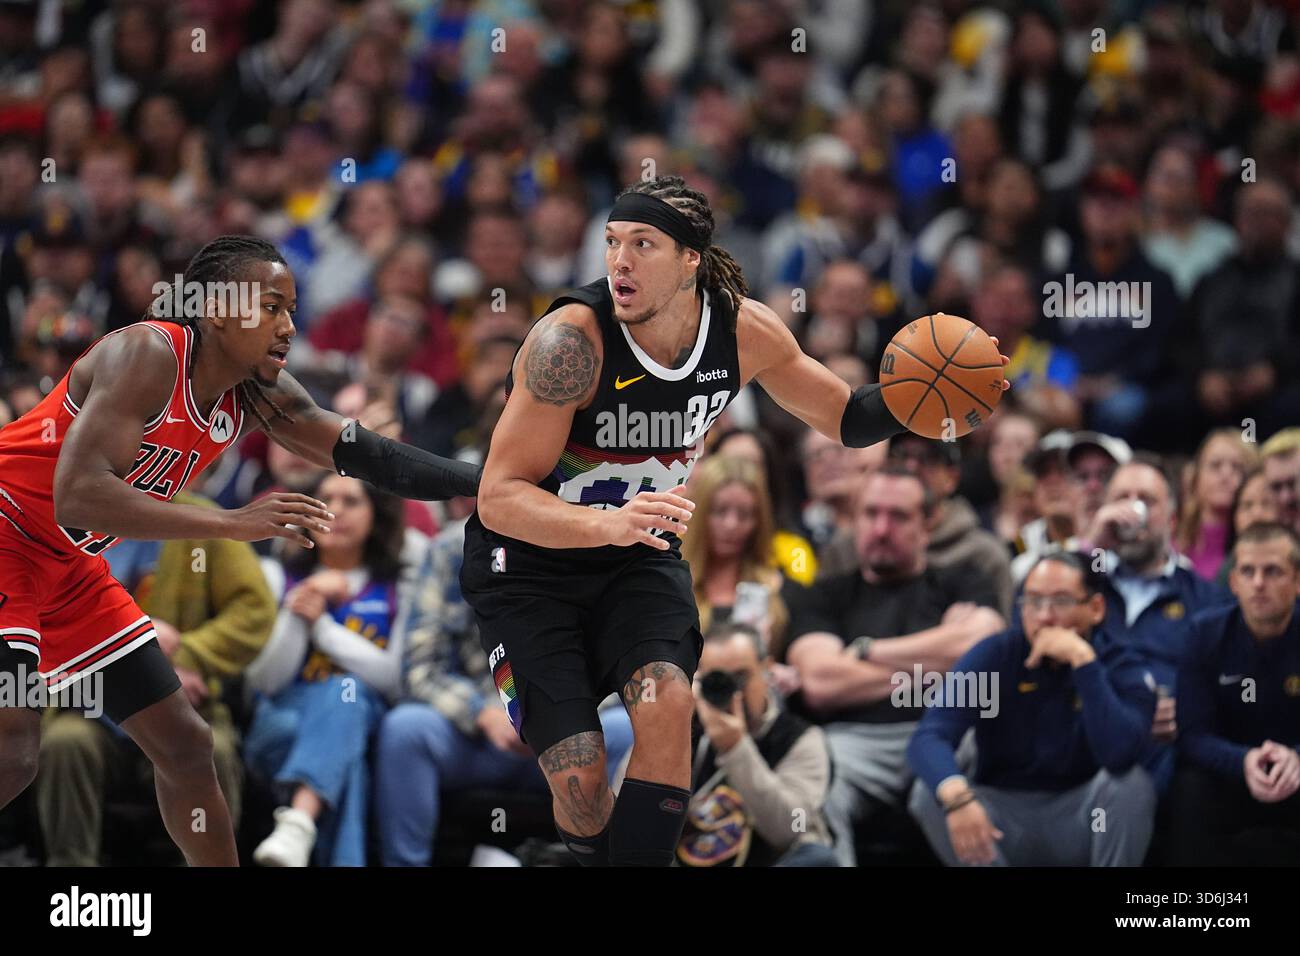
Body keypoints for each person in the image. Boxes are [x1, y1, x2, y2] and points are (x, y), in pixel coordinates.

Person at [464, 176, 1009, 867]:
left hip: (637, 558)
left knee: (668, 702)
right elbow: (499, 496)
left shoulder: (743, 330)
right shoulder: (570, 343)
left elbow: (843, 416)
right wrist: (606, 521)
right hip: (529, 566)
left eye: (643, 244)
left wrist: (930, 395)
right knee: (580, 779)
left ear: (692, 258)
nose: (619, 262)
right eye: (611, 243)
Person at [0, 235, 479, 866]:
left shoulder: (255, 395)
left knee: (188, 747)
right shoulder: (148, 353)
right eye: (273, 306)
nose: (289, 326)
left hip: (68, 571)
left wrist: (492, 485)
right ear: (219, 309)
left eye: (292, 309)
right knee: (16, 751)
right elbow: (79, 498)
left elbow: (373, 456)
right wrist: (231, 524)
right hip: (7, 537)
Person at [374, 515, 634, 867]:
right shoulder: (453, 548)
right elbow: (420, 667)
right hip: (478, 732)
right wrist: (480, 713)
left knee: (628, 729)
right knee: (405, 729)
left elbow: (619, 668)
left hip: (574, 731)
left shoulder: (596, 539)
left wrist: (555, 722)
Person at [36, 491, 276, 866]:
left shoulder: (203, 521)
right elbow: (29, 613)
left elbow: (255, 610)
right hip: (89, 700)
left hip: (184, 695)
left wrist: (189, 653)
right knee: (65, 742)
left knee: (214, 749)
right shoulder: (56, 523)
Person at [784, 466, 1005, 866]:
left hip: (948, 733)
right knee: (814, 776)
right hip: (854, 742)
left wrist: (865, 651)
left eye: (898, 516)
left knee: (979, 755)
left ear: (927, 523)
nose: (881, 529)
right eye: (871, 514)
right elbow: (820, 682)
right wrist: (943, 659)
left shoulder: (964, 580)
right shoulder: (825, 594)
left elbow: (985, 649)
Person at [907, 552, 1158, 866]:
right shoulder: (997, 655)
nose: (1044, 616)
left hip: (1083, 818)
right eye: (1033, 601)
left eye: (1061, 601)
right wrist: (958, 798)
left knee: (1131, 787)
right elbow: (929, 736)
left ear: (1095, 609)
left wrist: (1084, 663)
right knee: (930, 794)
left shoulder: (1120, 663)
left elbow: (1119, 753)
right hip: (1002, 821)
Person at [243, 473, 411, 867]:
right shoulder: (275, 577)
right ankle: (299, 823)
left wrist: (322, 626)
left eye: (351, 501)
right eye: (324, 499)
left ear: (376, 515)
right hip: (281, 722)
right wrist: (304, 605)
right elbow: (262, 682)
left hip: (355, 722)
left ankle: (298, 825)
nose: (334, 511)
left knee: (344, 694)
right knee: (346, 758)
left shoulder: (396, 586)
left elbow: (393, 680)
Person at [1169, 523, 1300, 865]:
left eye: (1273, 571)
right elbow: (1192, 735)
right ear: (1233, 582)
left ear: (1298, 581)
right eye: (1248, 571)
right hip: (1230, 774)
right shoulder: (1204, 633)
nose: (1258, 583)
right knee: (1189, 788)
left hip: (1297, 773)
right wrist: (1243, 760)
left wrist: (1297, 758)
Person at [671, 621, 837, 867]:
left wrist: (735, 749)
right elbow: (634, 817)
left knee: (817, 859)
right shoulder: (684, 730)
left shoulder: (801, 738)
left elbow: (789, 828)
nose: (731, 693)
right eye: (717, 680)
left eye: (740, 677)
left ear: (767, 670)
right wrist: (673, 728)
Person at [680, 455, 789, 650]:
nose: (731, 524)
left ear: (759, 520)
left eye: (744, 514)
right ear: (700, 512)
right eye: (719, 511)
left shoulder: (777, 584)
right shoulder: (671, 579)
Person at [1175, 428, 1255, 582]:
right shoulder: (1170, 542)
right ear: (1195, 477)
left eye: (1237, 467)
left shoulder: (1261, 547)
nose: (1226, 474)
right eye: (1215, 465)